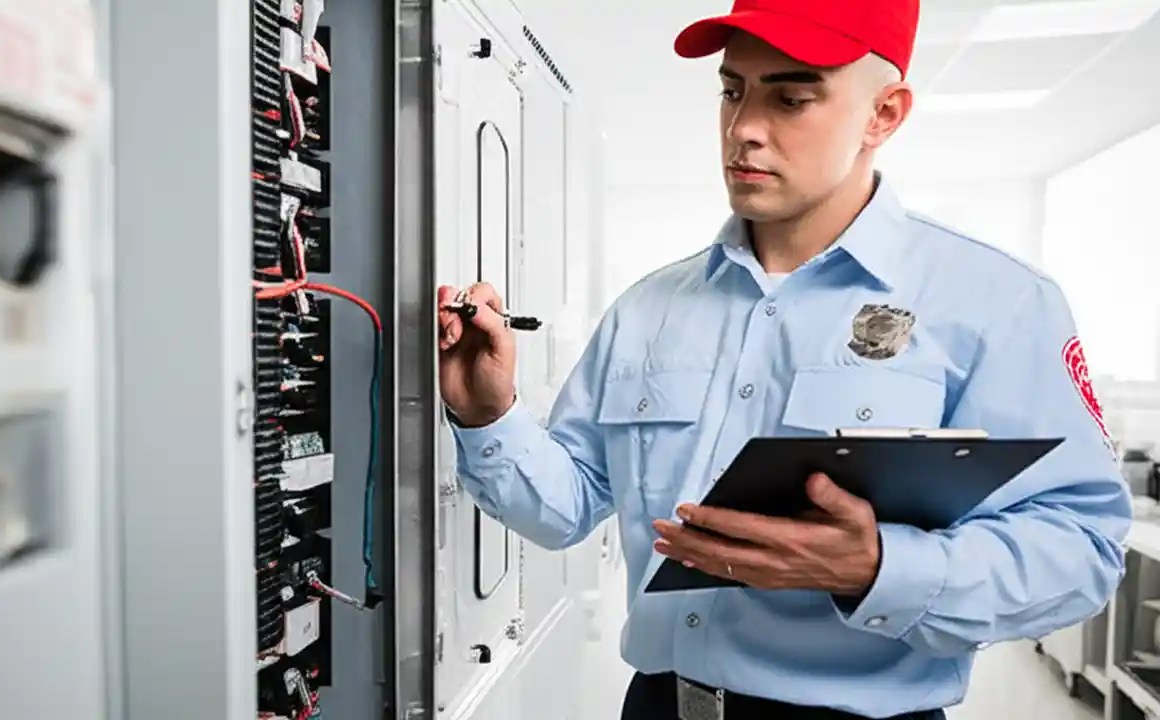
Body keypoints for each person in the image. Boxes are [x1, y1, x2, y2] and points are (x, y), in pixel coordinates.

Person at [435, 0, 1132, 717]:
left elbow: (1080, 549)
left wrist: (881, 569)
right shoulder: (649, 308)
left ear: (883, 115)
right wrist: (488, 413)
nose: (743, 131)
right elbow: (569, 507)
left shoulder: (996, 303)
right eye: (732, 90)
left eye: (791, 98)